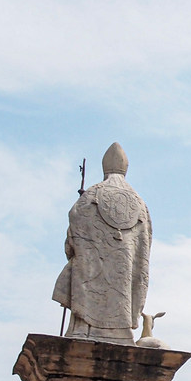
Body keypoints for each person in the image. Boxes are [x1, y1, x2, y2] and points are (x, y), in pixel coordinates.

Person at [52, 142, 152, 344]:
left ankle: (83, 327)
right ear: (126, 167)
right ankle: (120, 331)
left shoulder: (91, 194)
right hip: (123, 276)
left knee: (88, 284)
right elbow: (145, 243)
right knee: (120, 292)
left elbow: (75, 228)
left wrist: (72, 248)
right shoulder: (140, 204)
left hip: (92, 267)